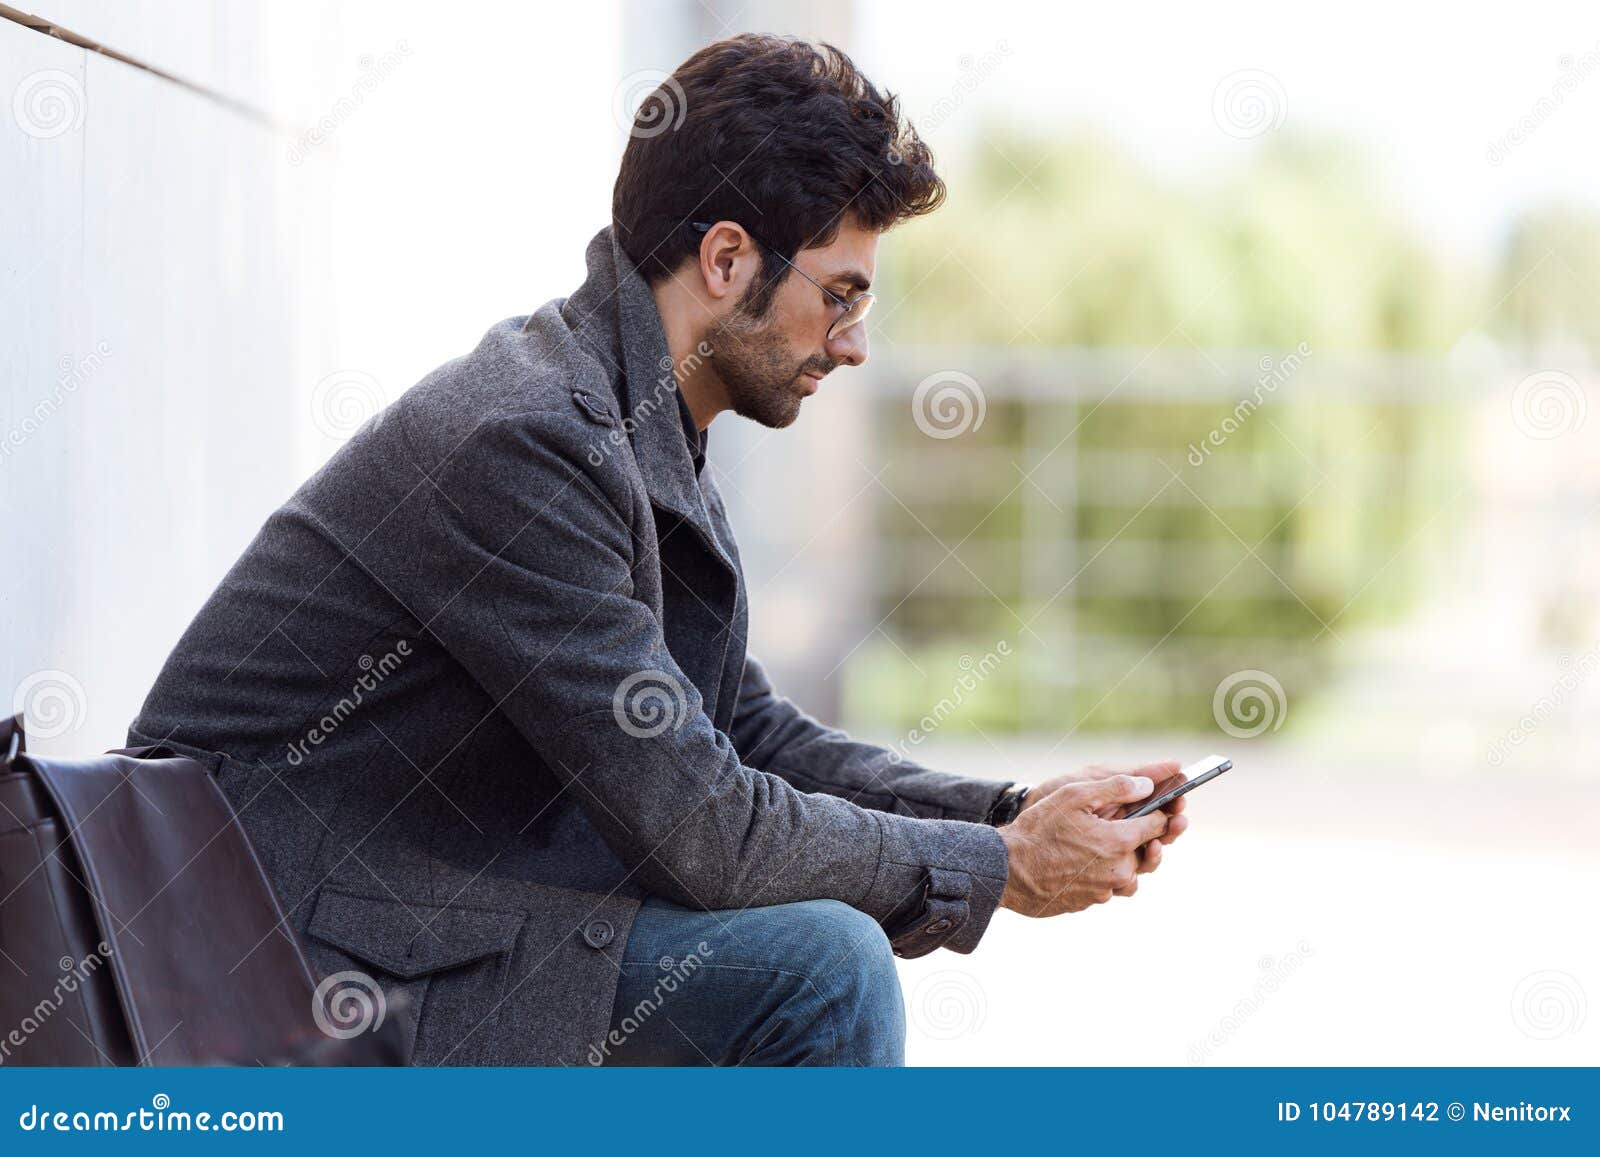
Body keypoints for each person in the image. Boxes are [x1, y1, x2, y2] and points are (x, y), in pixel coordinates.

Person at [129, 32, 1189, 1067]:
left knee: (804, 945)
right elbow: (705, 828)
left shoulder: (632, 411)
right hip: (260, 942)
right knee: (820, 968)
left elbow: (740, 731)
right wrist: (999, 867)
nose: (856, 342)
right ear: (727, 259)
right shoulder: (530, 437)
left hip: (402, 906)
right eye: (842, 293)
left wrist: (1004, 813)